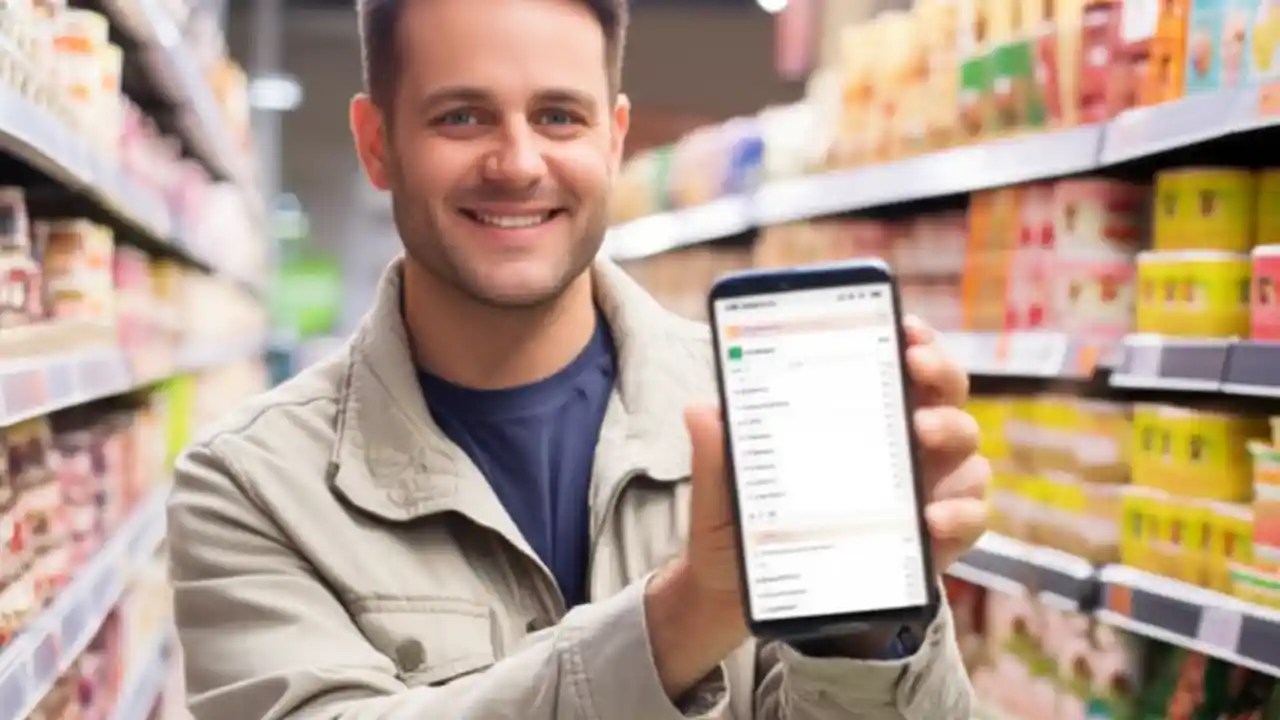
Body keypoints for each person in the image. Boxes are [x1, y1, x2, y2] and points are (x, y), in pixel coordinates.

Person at [166, 0, 991, 717]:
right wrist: (686, 614)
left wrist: (868, 619)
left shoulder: (757, 415)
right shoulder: (251, 485)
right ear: (376, 143)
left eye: (559, 116)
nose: (519, 164)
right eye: (462, 116)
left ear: (615, 138)